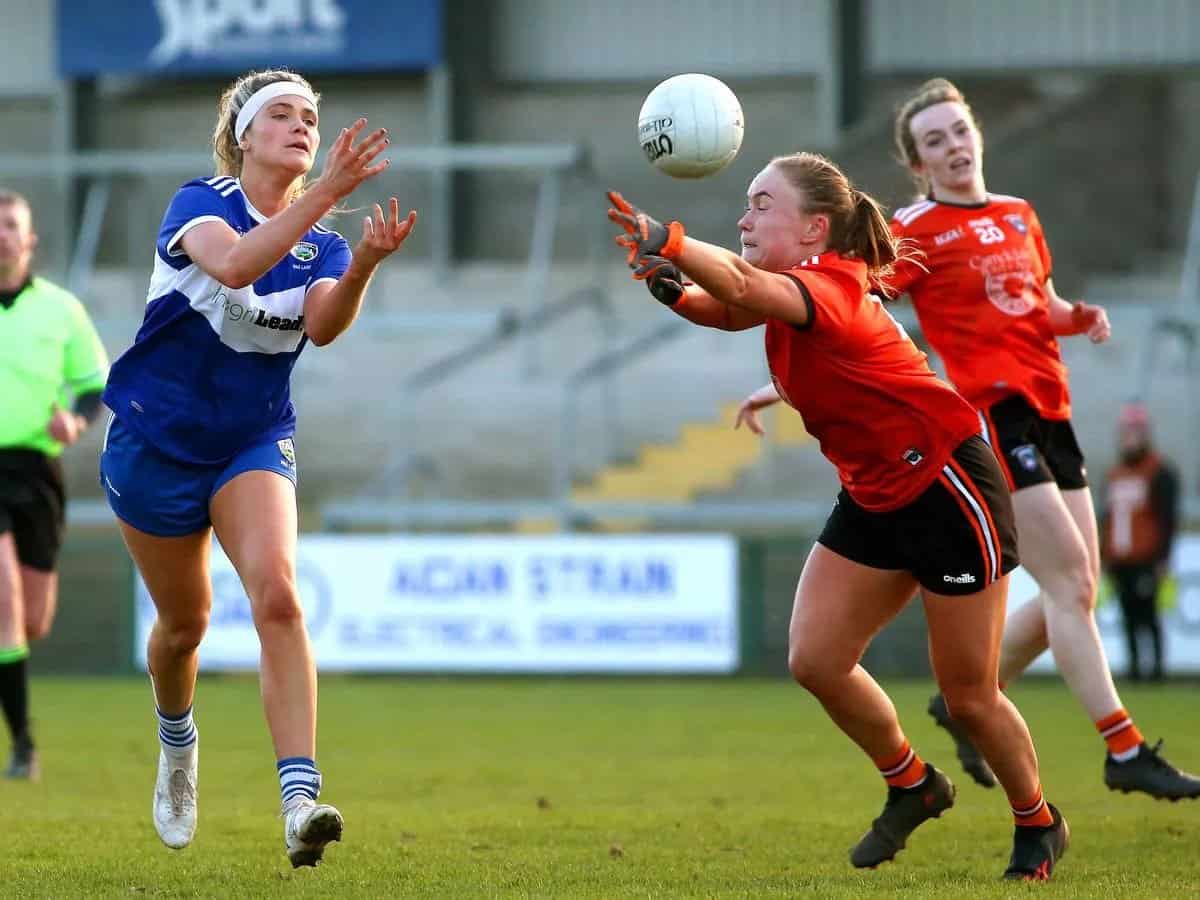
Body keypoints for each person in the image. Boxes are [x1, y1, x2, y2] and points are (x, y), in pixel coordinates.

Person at [606, 151, 1068, 881]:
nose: (744, 216)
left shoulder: (833, 288)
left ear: (816, 228)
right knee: (816, 661)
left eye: (762, 205)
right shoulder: (793, 289)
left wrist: (672, 240)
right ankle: (913, 784)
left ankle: (1038, 822)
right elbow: (730, 307)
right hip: (875, 493)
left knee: (970, 697)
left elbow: (739, 283)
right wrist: (674, 291)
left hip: (950, 490)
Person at [99, 68, 416, 866]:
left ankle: (299, 801)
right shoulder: (198, 203)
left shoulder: (325, 243)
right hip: (154, 440)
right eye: (281, 113)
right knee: (185, 627)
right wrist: (328, 192)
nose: (302, 125)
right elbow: (236, 265)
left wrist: (365, 265)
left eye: (310, 115)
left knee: (278, 594)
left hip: (251, 437)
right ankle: (178, 746)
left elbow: (326, 325)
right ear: (243, 136)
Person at [0, 189, 108, 781]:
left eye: (12, 226)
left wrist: (76, 419)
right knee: (5, 606)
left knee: (31, 619)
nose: (3, 236)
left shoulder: (61, 310)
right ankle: (24, 745)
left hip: (37, 472)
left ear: (30, 239)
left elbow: (94, 386)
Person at [1101, 402, 1179, 682]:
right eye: (1126, 432)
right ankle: (1134, 671)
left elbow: (1168, 518)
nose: (1129, 439)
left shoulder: (1159, 472)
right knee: (1127, 617)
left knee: (1149, 616)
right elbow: (1106, 518)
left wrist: (1162, 558)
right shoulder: (1115, 474)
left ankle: (1156, 672)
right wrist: (1104, 554)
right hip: (1120, 558)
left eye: (1135, 432)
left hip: (1147, 558)